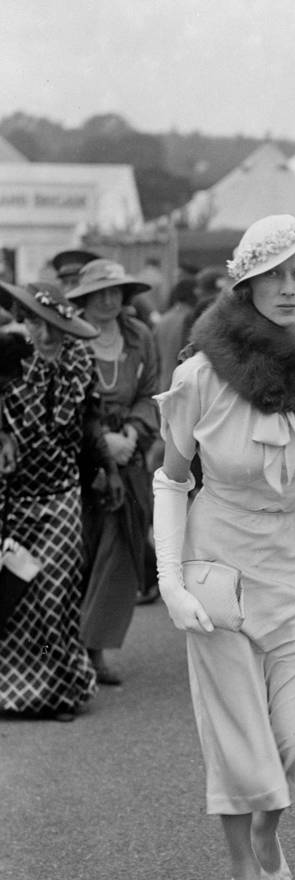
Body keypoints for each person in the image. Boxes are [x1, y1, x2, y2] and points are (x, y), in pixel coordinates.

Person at [152, 214, 295, 880]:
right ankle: (243, 868)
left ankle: (270, 832)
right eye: (272, 274)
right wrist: (173, 583)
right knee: (238, 738)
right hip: (220, 567)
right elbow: (171, 483)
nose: (287, 287)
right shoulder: (200, 376)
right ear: (244, 284)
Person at [0, 283, 122, 721]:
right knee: (15, 595)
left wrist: (106, 467)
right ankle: (11, 690)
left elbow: (91, 419)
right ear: (23, 319)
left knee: (54, 597)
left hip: (62, 495)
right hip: (12, 498)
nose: (47, 336)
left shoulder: (79, 359)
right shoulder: (5, 352)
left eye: (55, 327)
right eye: (37, 324)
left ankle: (57, 688)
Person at [66, 259, 160, 686]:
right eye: (99, 291)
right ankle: (55, 652)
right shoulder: (67, 333)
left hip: (129, 460)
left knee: (117, 556)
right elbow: (67, 404)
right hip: (80, 463)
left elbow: (150, 392)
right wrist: (103, 442)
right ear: (83, 297)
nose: (108, 298)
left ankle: (95, 649)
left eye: (116, 290)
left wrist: (134, 433)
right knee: (74, 559)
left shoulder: (139, 335)